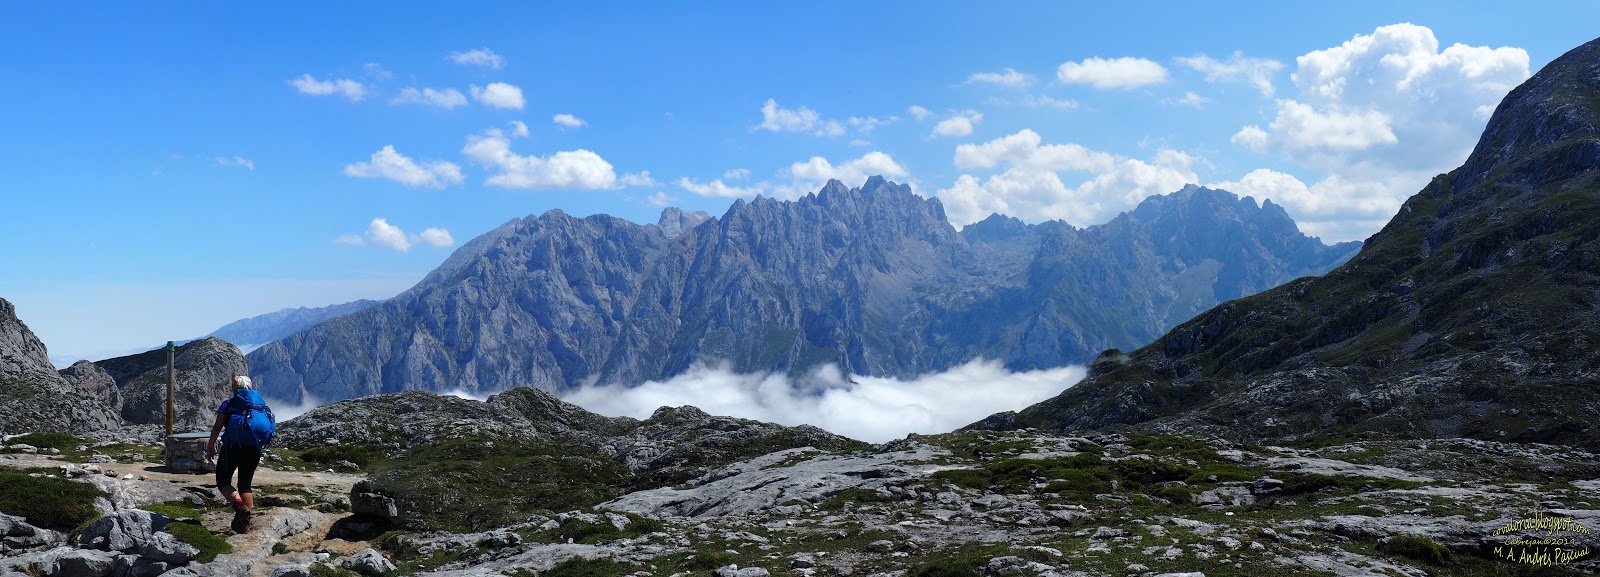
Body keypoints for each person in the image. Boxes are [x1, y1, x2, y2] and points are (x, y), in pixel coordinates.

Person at [206, 375, 273, 533]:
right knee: (245, 484)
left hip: (232, 447)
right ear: (250, 387)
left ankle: (241, 509)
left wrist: (210, 446)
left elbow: (217, 428)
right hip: (254, 448)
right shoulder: (260, 406)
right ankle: (245, 523)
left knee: (223, 481)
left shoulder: (228, 404)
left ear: (234, 388)